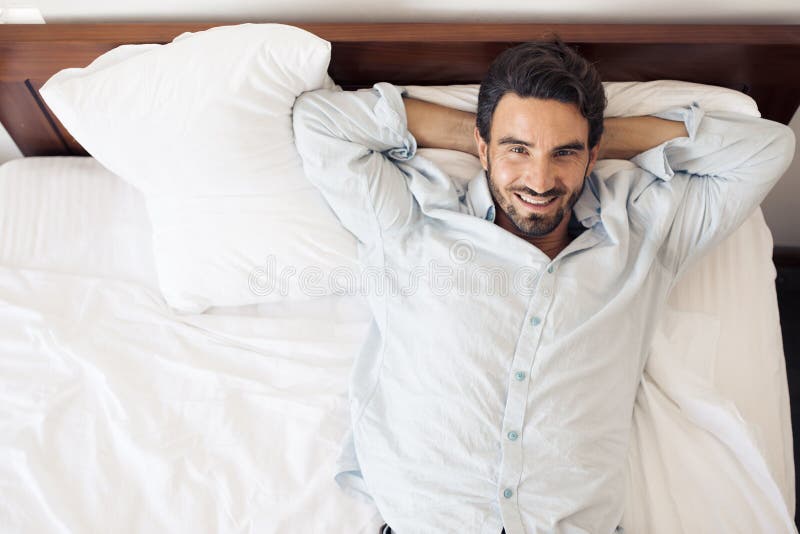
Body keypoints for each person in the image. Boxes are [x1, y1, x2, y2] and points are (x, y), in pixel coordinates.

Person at [291, 40, 795, 534]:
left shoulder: (642, 236)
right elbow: (321, 122)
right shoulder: (413, 222)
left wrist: (599, 138)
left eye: (564, 152)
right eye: (518, 149)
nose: (539, 179)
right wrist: (477, 135)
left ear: (592, 154)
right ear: (482, 147)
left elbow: (767, 148)